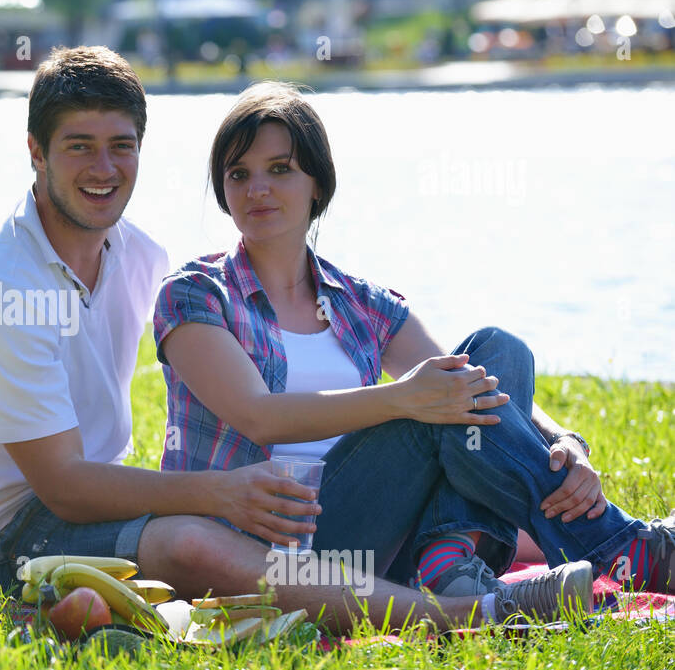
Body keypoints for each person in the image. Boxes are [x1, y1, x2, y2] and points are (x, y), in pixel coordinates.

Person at [0, 46, 589, 634]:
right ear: (36, 153)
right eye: (78, 145)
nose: (103, 168)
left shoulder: (136, 256)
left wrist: (559, 439)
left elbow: (453, 376)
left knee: (480, 379)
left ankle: (597, 544)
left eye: (121, 145)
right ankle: (463, 616)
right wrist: (219, 491)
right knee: (196, 543)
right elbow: (64, 487)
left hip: (147, 508)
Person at [153, 80, 674, 609]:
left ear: (318, 184)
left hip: (374, 536)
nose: (256, 189)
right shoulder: (196, 294)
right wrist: (402, 398)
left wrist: (565, 439)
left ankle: (452, 560)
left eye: (280, 169)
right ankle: (615, 543)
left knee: (499, 349)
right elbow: (258, 416)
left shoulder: (360, 302)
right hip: (258, 547)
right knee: (435, 404)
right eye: (238, 174)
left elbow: (475, 379)